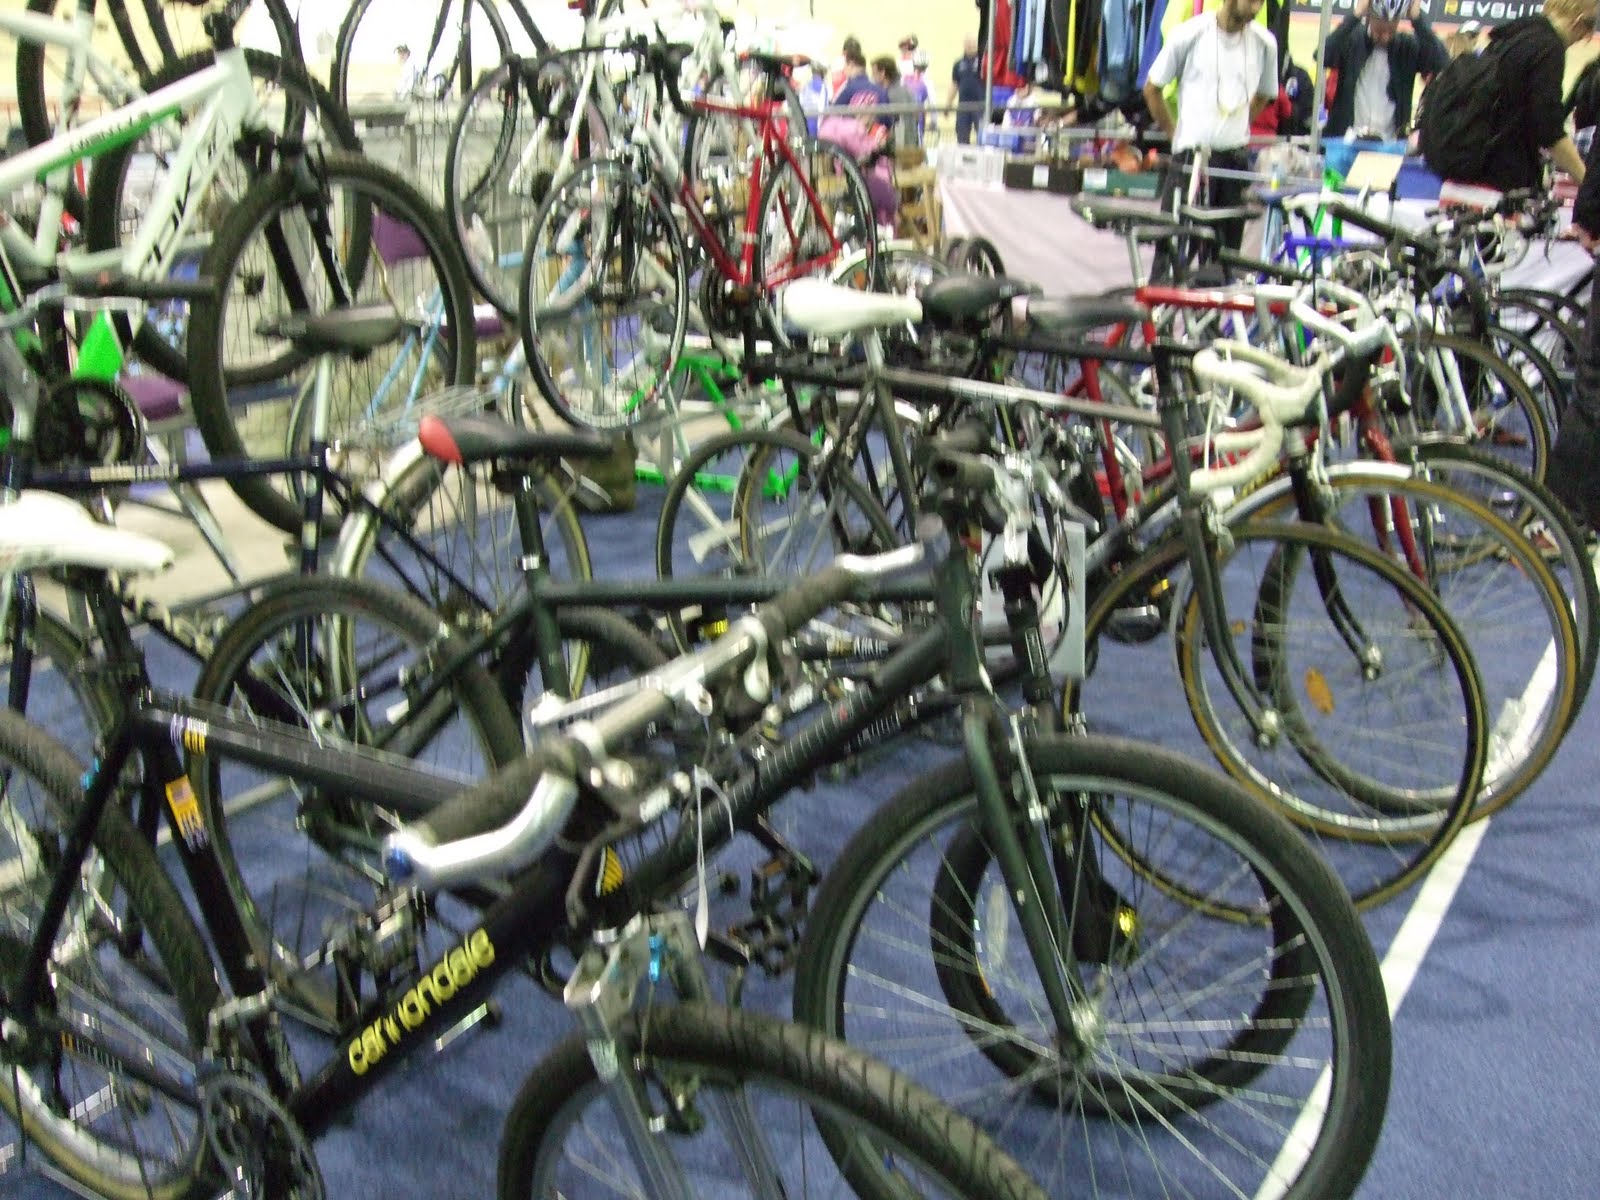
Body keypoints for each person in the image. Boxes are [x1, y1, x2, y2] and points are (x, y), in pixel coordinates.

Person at [1142, 0, 1278, 260]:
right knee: (1172, 253)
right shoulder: (1189, 34)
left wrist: (1238, 125)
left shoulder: (1265, 44)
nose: (1256, 9)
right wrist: (1174, 135)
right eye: (1251, 1)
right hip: (1190, 160)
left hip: (1234, 164)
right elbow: (1152, 88)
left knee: (1224, 258)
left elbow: (1265, 94)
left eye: (1260, 2)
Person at [1472, 0, 1590, 193]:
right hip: (1501, 178)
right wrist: (1587, 183)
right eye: (1588, 28)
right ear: (1578, 21)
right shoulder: (1549, 46)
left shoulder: (1513, 35)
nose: (1584, 39)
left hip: (1470, 165)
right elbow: (1549, 130)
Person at [1321, 0, 1447, 140]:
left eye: (1391, 31)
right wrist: (1356, 15)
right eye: (1380, 31)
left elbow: (1442, 64)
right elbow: (1322, 56)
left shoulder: (1407, 47)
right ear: (1369, 17)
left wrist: (1418, 20)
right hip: (1346, 140)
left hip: (1390, 143)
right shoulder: (1352, 40)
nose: (1385, 37)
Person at [872, 56, 920, 150]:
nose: (872, 77)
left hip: (896, 147)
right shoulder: (907, 91)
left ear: (882, 73)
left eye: (874, 73)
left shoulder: (887, 95)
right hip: (912, 144)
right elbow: (917, 116)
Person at [948, 35, 985, 145]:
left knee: (983, 137)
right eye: (968, 43)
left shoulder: (983, 62)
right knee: (962, 137)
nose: (971, 46)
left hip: (980, 106)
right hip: (963, 106)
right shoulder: (958, 64)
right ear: (964, 45)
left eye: (973, 43)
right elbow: (954, 84)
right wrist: (948, 104)